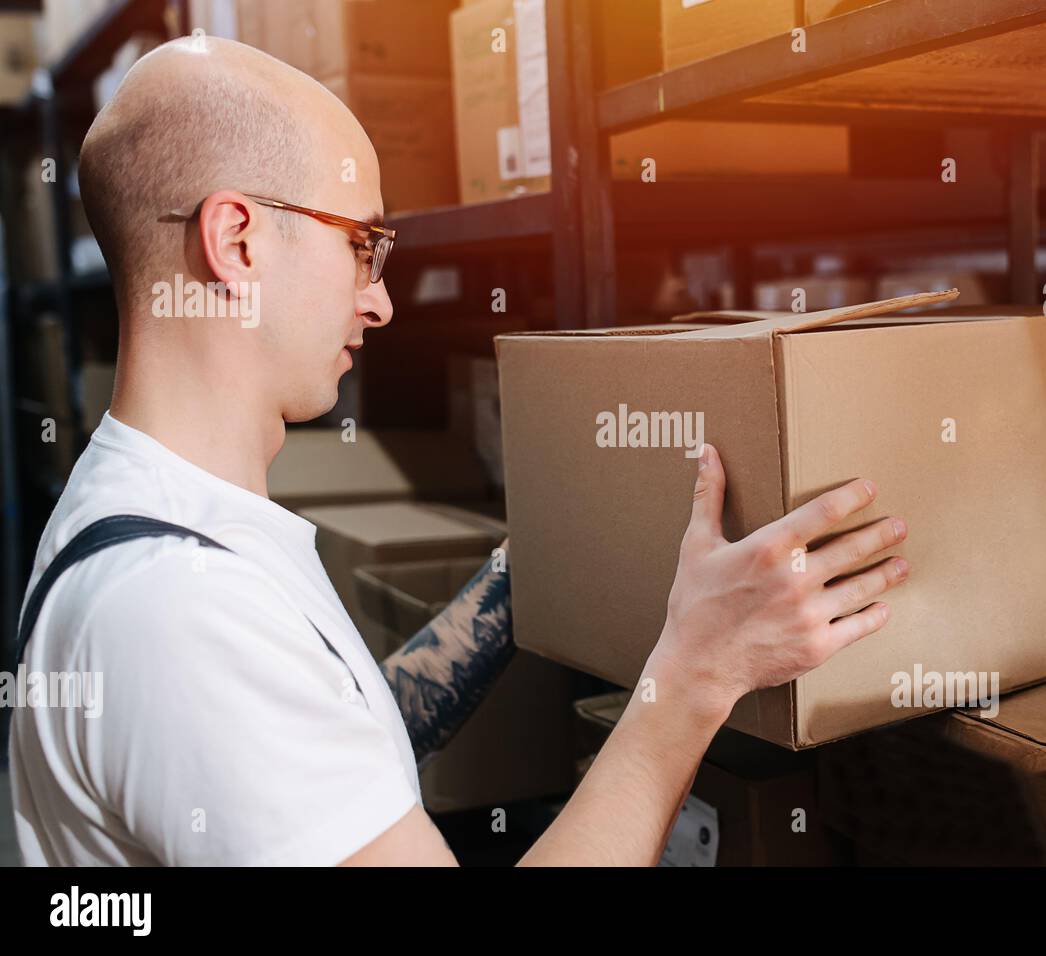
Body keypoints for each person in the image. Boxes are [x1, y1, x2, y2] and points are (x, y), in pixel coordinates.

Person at [8, 37, 909, 866]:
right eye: (361, 244)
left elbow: (339, 745)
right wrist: (700, 672)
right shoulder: (179, 611)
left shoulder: (154, 515)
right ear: (237, 239)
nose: (380, 301)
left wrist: (531, 565)